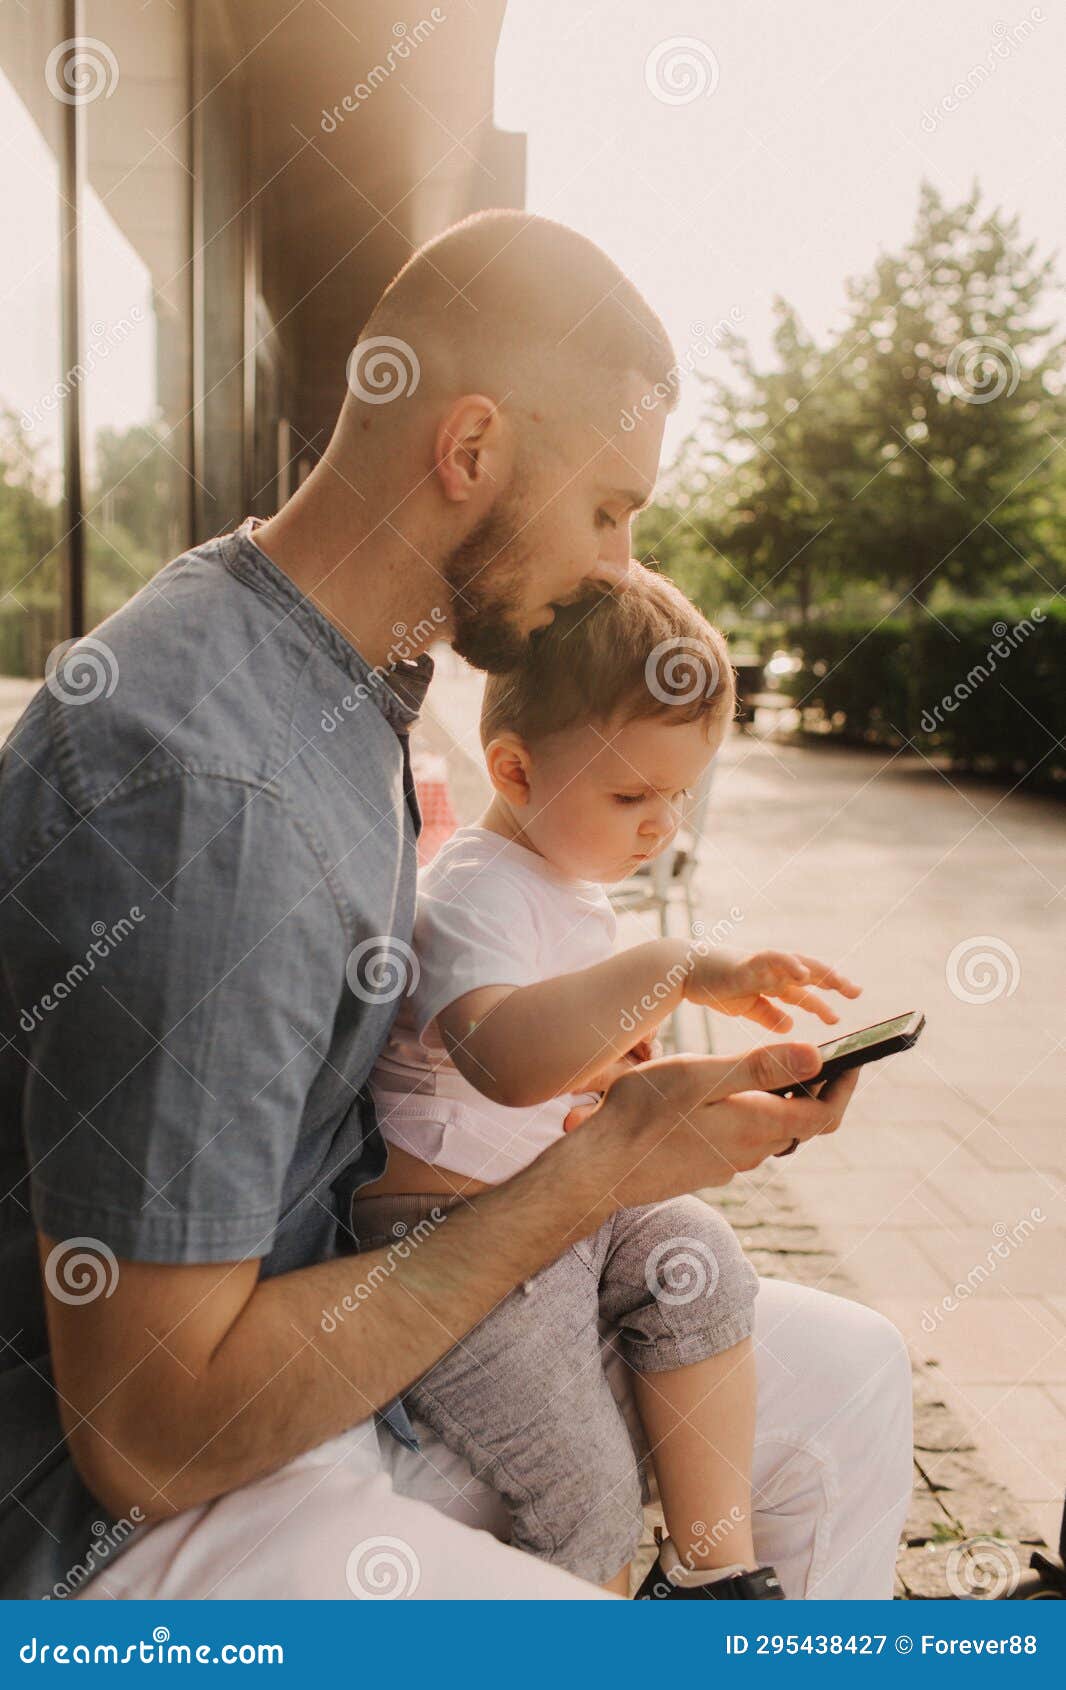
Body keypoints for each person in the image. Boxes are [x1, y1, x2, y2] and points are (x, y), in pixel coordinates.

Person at [0, 211, 912, 1601]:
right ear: (469, 449)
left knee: (848, 1385)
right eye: (608, 507)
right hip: (137, 1530)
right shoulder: (210, 788)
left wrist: (590, 1101)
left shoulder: (335, 679)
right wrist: (594, 1169)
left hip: (345, 1345)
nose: (618, 567)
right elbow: (150, 1432)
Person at [362, 573, 863, 1598]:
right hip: (450, 1248)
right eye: (631, 795)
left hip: (552, 1207)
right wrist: (661, 968)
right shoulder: (474, 890)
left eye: (678, 793)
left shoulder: (558, 885)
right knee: (584, 1495)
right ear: (514, 768)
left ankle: (708, 1572)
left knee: (698, 1251)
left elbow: (569, 1076)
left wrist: (676, 1076)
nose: (660, 825)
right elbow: (503, 1058)